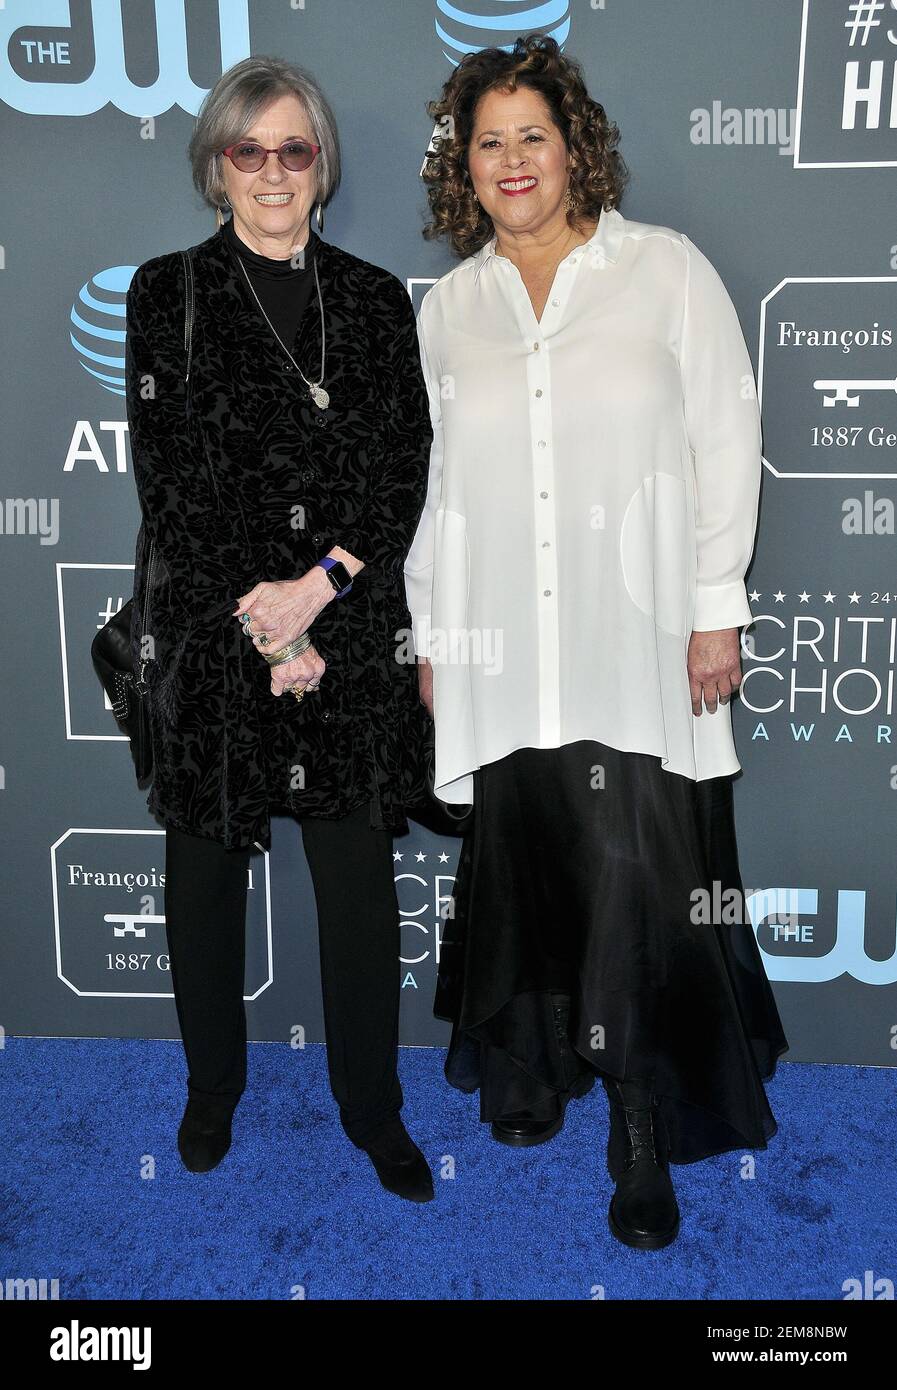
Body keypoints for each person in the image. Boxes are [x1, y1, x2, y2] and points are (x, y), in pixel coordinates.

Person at [406, 33, 789, 1247]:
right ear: (461, 168)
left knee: (636, 878)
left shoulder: (664, 271)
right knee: (522, 860)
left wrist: (715, 603)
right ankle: (531, 1064)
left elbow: (727, 436)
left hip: (635, 637)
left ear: (575, 147)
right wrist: (431, 629)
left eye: (533, 135)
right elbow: (433, 489)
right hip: (504, 645)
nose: (513, 160)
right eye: (488, 141)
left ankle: (638, 1116)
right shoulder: (449, 308)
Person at [125, 55, 435, 1202]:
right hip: (218, 633)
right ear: (217, 167)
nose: (271, 171)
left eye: (293, 149)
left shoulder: (370, 299)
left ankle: (374, 1107)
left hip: (344, 637)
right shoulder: (168, 294)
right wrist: (266, 621)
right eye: (248, 150)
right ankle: (212, 1092)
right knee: (202, 875)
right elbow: (173, 483)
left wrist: (321, 590)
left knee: (358, 886)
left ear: (322, 167)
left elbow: (400, 464)